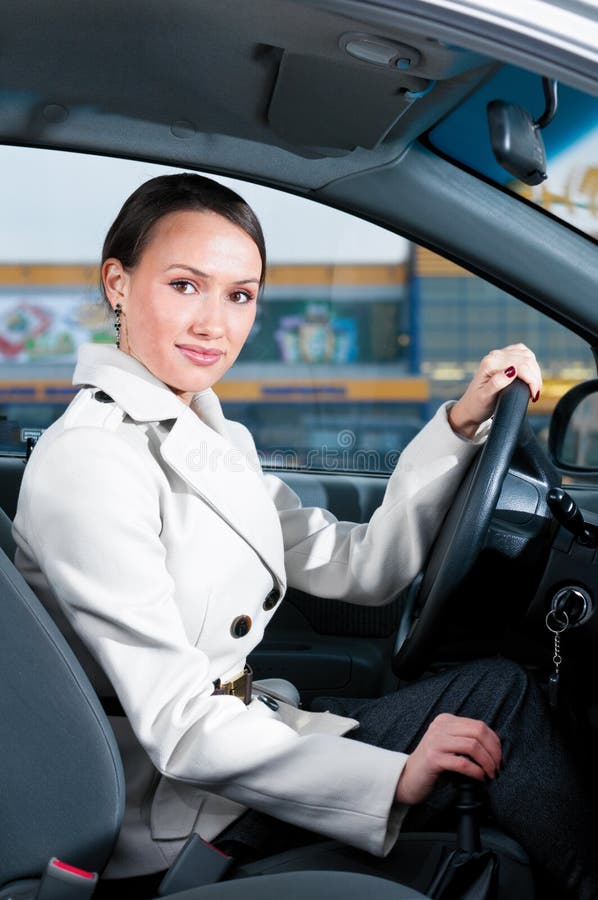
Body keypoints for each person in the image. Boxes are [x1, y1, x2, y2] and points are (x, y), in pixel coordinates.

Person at [11, 173, 597, 899]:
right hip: (170, 808)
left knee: (494, 693)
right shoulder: (93, 460)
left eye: (240, 295)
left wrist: (457, 427)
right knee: (500, 701)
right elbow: (181, 724)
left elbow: (360, 567)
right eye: (185, 285)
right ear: (119, 284)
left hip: (245, 742)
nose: (213, 324)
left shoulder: (209, 435)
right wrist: (393, 773)